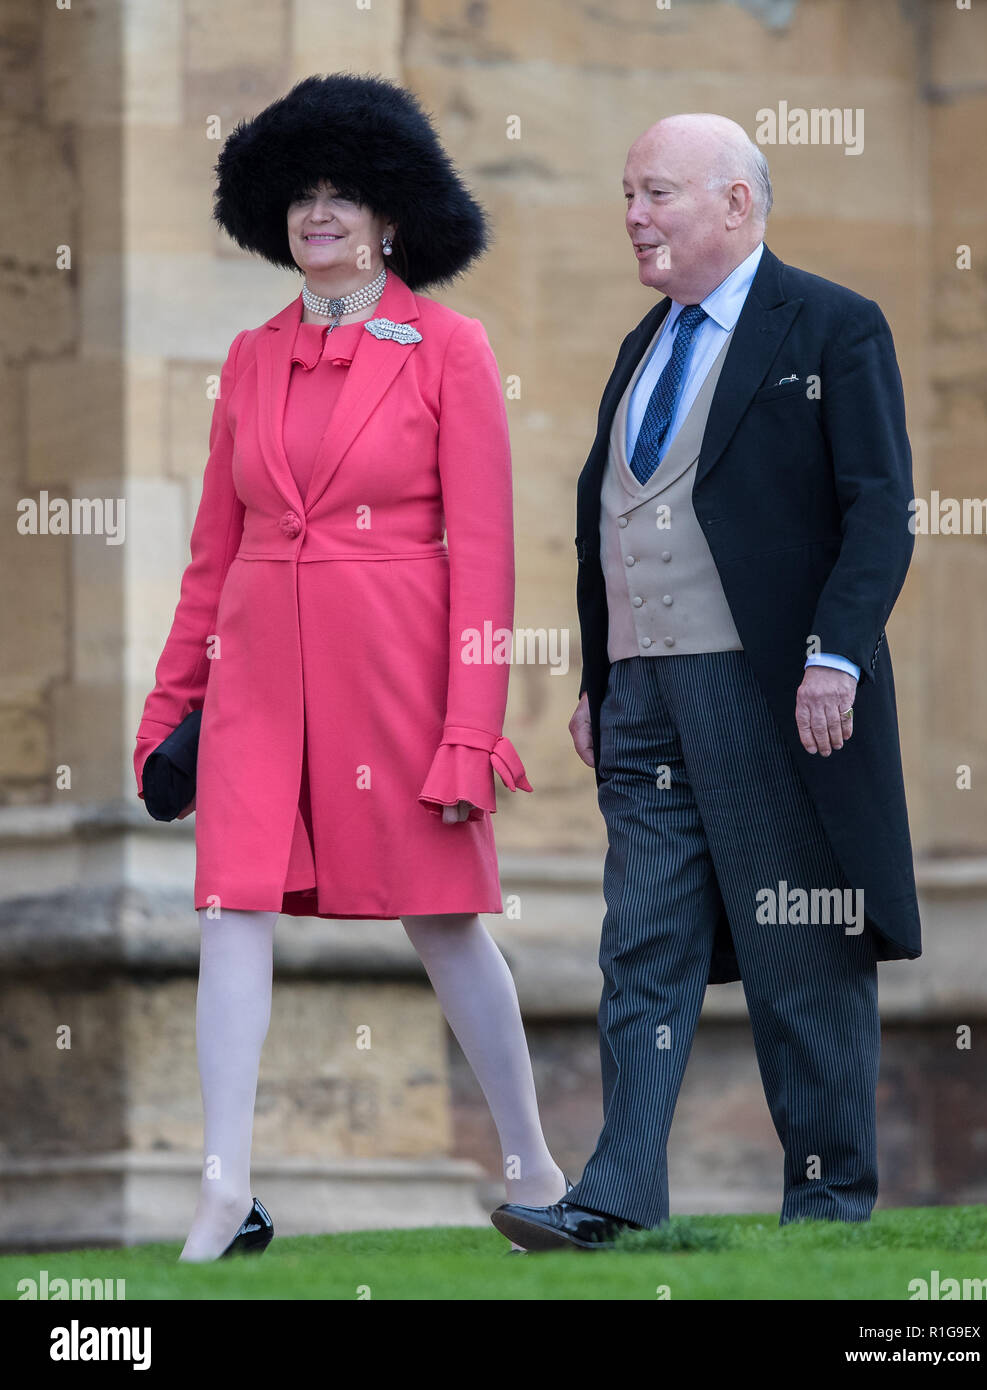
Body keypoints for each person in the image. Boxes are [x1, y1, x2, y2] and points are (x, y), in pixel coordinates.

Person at [133, 73, 566, 1260]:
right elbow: (209, 557)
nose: (317, 214)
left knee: (444, 918)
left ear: (389, 215)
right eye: (301, 196)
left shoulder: (451, 349)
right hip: (258, 678)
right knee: (231, 908)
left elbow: (485, 564)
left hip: (398, 676)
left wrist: (470, 730)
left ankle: (532, 1160)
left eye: (343, 196)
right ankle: (224, 1189)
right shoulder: (252, 355)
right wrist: (171, 701)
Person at [492, 112, 921, 1252]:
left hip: (768, 689)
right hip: (641, 698)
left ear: (737, 202)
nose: (633, 215)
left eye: (658, 193)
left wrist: (835, 653)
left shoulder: (831, 325)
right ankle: (617, 1194)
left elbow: (880, 507)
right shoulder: (642, 345)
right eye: (627, 193)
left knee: (798, 949)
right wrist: (599, 671)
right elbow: (611, 522)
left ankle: (827, 1208)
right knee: (640, 945)